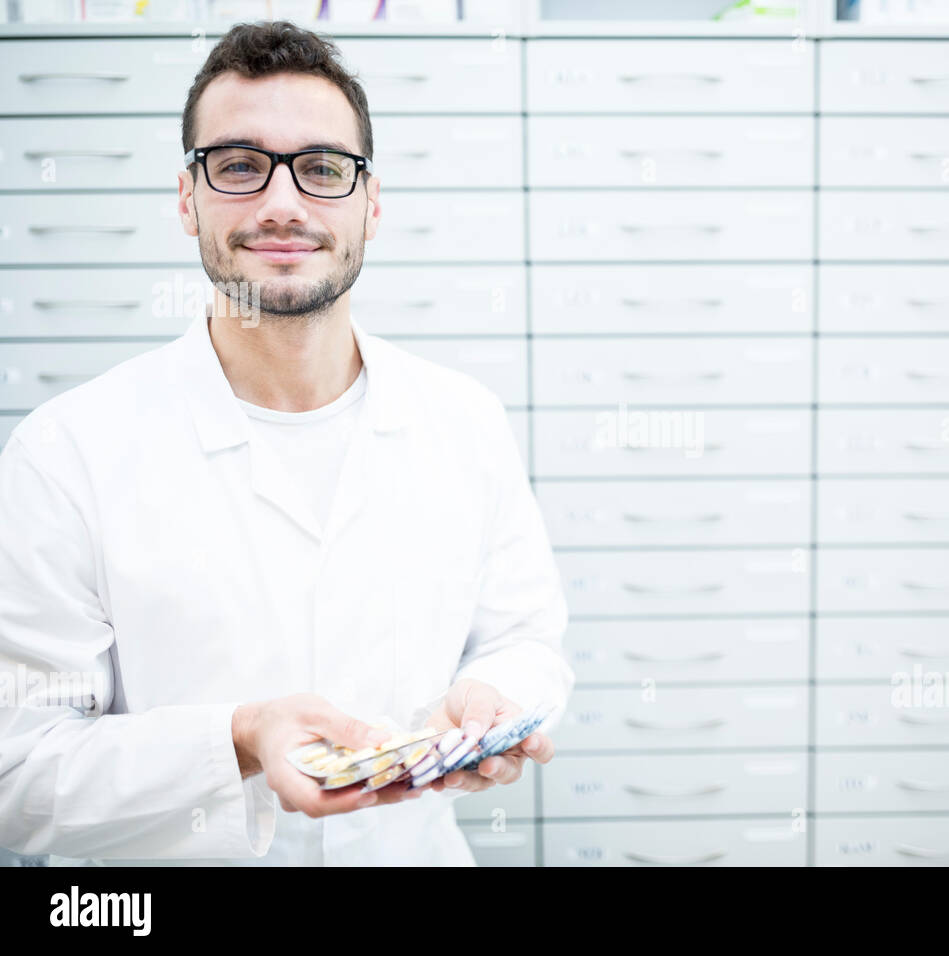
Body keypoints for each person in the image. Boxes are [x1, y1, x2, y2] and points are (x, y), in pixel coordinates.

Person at [0, 21, 573, 866]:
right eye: (237, 166)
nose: (282, 204)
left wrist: (497, 700)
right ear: (187, 198)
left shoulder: (464, 419)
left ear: (369, 204)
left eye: (322, 168)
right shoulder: (68, 450)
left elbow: (528, 642)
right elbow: (19, 775)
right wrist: (237, 738)